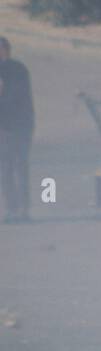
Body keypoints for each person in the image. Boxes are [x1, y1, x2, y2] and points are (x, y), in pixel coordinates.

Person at [0, 37, 34, 223]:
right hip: (3, 128)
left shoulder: (17, 70)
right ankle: (11, 209)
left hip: (20, 126)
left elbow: (14, 99)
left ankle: (23, 209)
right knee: (5, 169)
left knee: (20, 167)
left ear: (6, 50)